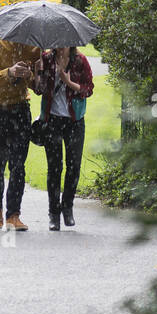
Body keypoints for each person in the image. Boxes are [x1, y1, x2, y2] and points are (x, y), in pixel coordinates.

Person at [0, 34, 41, 231]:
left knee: (18, 165)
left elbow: (37, 87)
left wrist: (33, 75)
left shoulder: (33, 48)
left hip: (20, 110)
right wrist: (10, 72)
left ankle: (13, 215)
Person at [32, 45, 94, 230]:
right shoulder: (46, 59)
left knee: (73, 166)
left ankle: (68, 207)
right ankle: (54, 213)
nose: (60, 44)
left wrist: (68, 82)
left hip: (75, 121)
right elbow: (39, 90)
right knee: (55, 167)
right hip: (53, 121)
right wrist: (37, 72)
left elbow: (88, 90)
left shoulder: (80, 61)